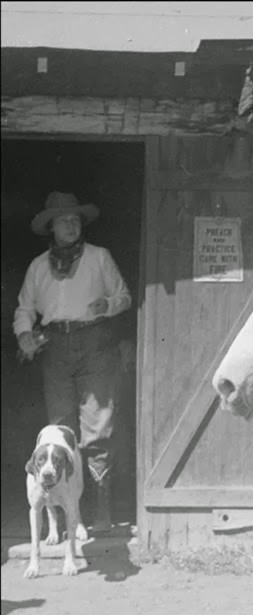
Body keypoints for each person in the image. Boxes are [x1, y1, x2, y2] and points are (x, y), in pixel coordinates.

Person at [14, 191, 131, 532]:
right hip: (56, 348)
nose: (70, 225)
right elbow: (25, 307)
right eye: (63, 220)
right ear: (51, 227)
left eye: (75, 220)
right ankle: (63, 515)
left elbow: (123, 296)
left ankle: (102, 510)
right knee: (60, 429)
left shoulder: (99, 257)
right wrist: (24, 334)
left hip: (96, 343)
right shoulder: (38, 266)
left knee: (98, 425)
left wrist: (107, 306)